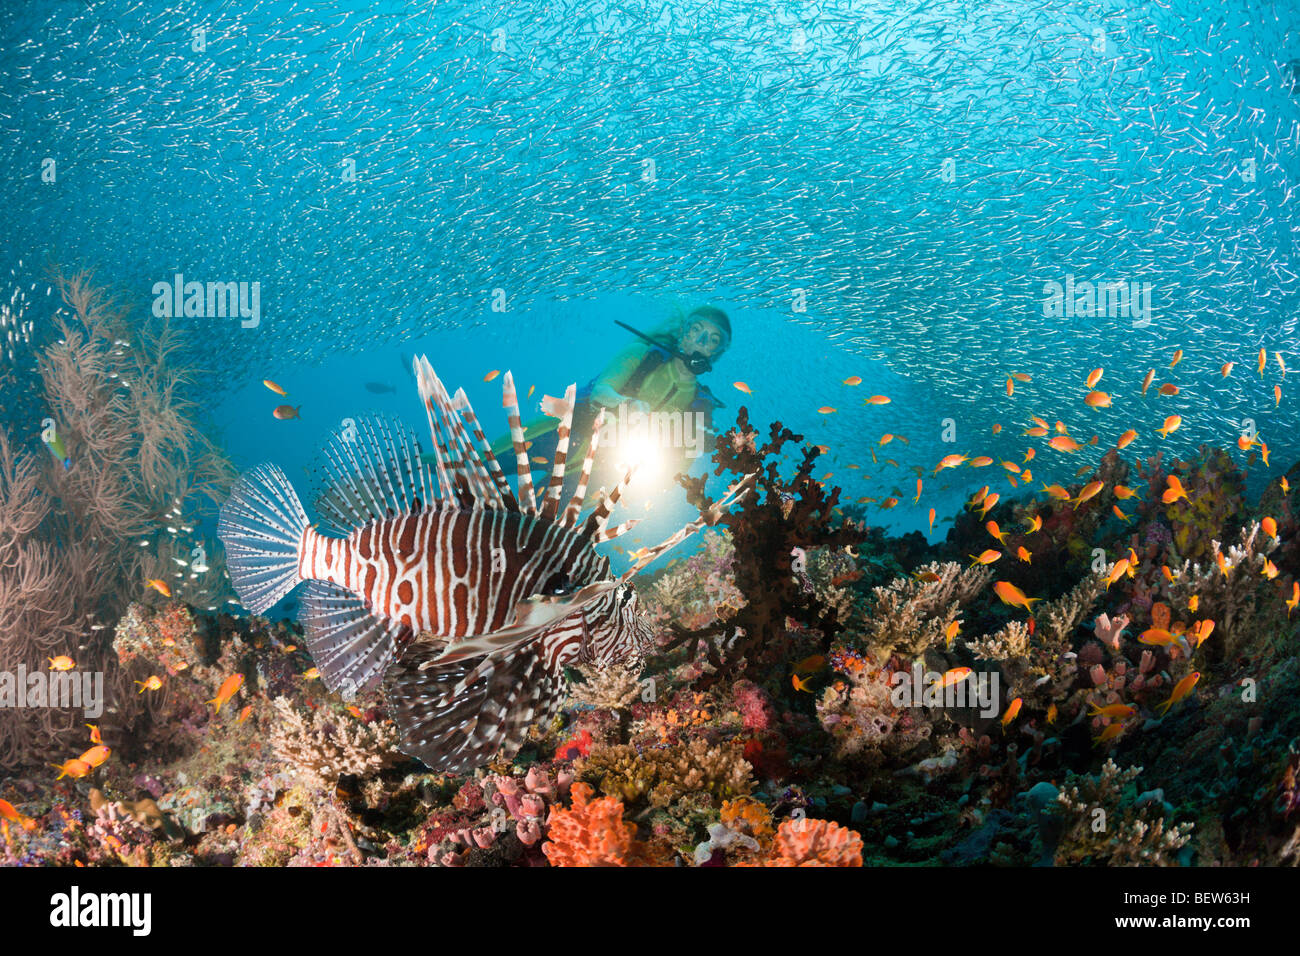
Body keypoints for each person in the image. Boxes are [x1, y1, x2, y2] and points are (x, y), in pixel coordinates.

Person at [491, 305, 731, 499]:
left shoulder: (700, 403)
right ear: (683, 332)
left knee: (540, 529)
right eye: (695, 329)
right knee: (479, 470)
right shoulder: (644, 354)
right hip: (567, 432)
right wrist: (627, 405)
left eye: (712, 339)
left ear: (717, 352)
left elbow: (681, 462)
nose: (700, 340)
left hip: (602, 471)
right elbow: (601, 391)